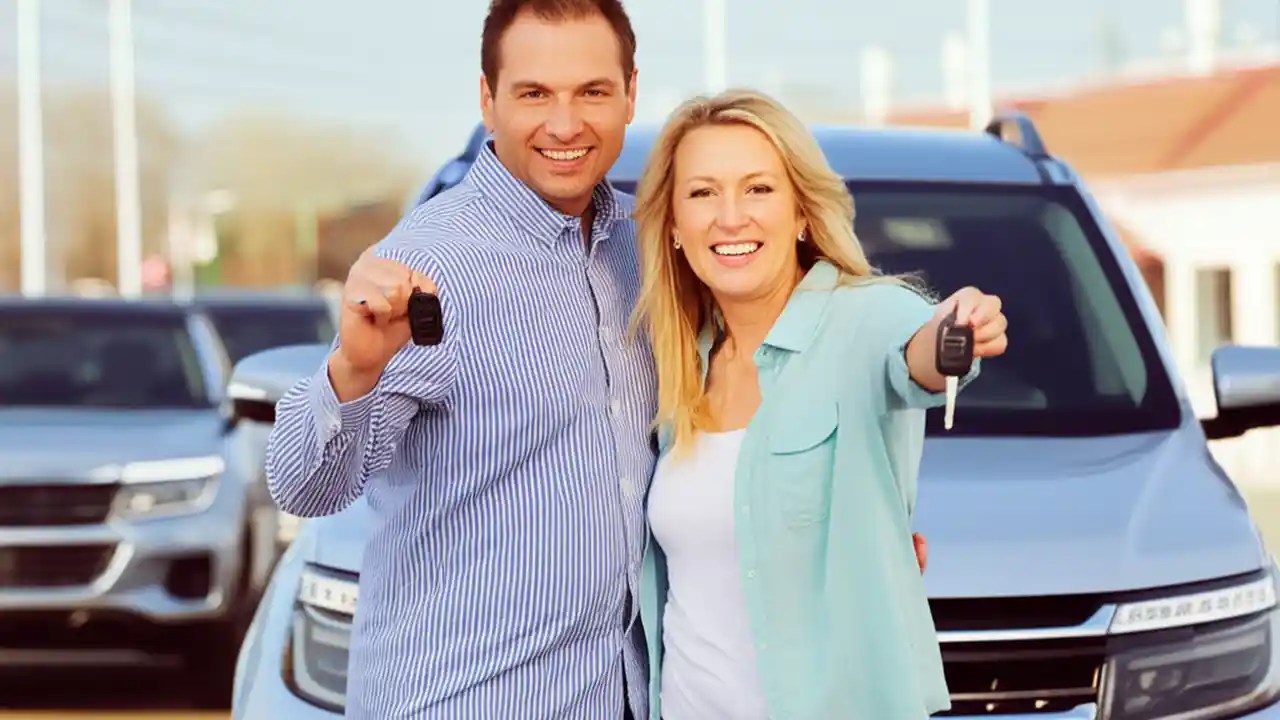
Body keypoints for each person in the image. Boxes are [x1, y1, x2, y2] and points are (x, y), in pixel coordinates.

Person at [264, 2, 929, 718]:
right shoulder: (428, 265)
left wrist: (848, 534)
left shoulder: (652, 257)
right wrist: (352, 373)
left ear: (629, 92)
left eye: (591, 92)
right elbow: (304, 488)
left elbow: (774, 392)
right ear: (487, 99)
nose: (564, 123)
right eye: (533, 94)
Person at [629, 89, 1009, 719]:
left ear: (802, 212)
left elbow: (915, 353)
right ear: (672, 226)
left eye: (758, 189)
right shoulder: (673, 366)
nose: (730, 217)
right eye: (702, 193)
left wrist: (955, 335)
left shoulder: (863, 319)